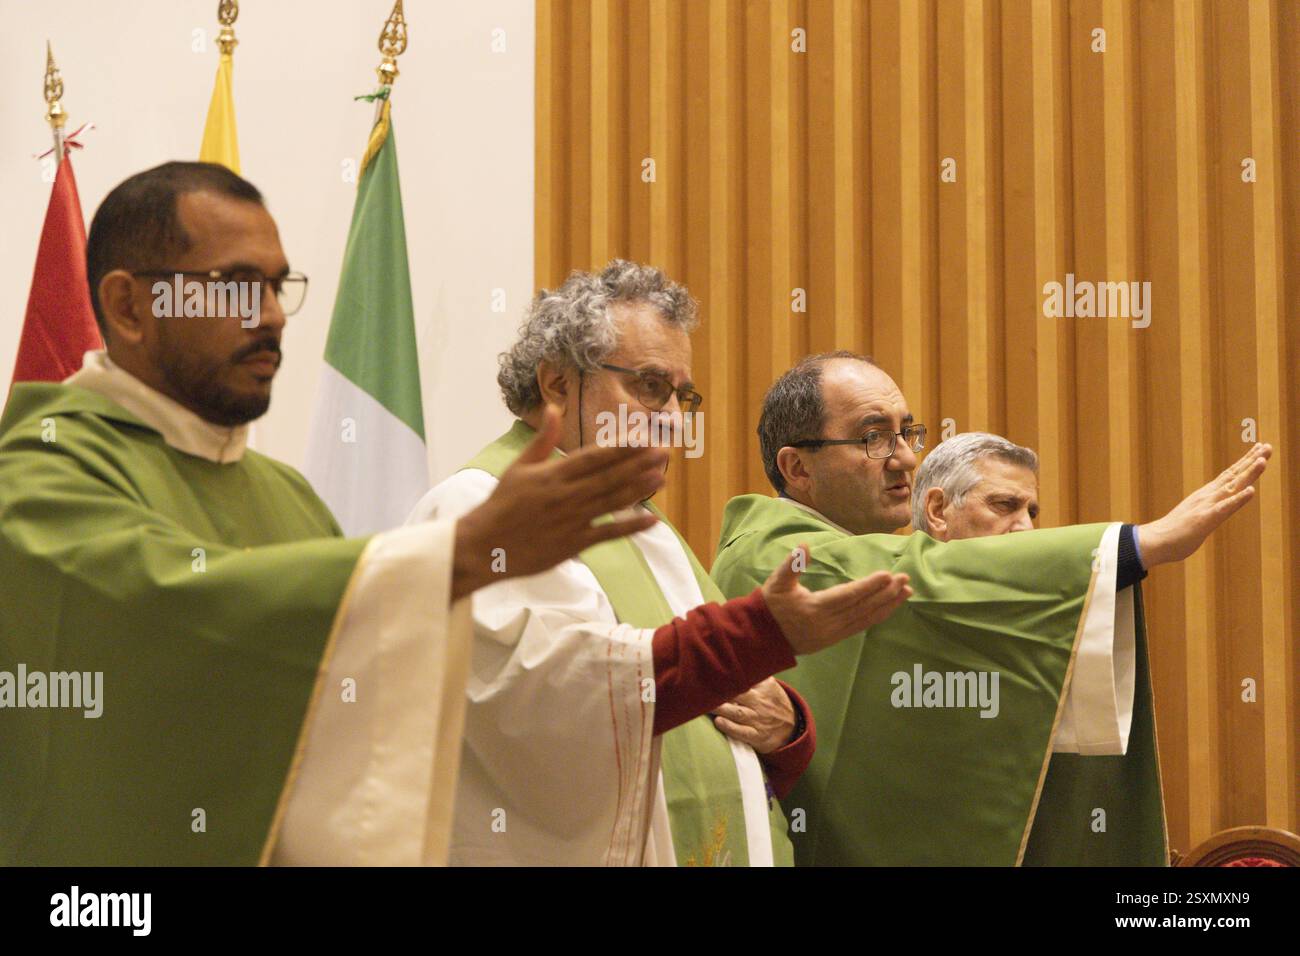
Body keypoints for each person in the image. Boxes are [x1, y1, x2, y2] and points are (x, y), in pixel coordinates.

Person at [0, 162, 675, 866]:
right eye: (233, 286)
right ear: (130, 307)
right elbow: (151, 611)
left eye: (275, 286)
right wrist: (458, 555)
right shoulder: (41, 475)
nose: (267, 316)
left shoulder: (287, 496)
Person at [408, 263, 912, 866]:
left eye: (682, 394)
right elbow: (546, 711)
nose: (675, 417)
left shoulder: (650, 529)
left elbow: (717, 710)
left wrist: (786, 733)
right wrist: (753, 636)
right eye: (650, 387)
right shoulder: (478, 511)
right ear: (557, 385)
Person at [711, 351, 1270, 865]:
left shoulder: (857, 549)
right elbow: (918, 578)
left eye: (907, 432)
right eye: (873, 437)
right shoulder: (776, 554)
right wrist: (1134, 546)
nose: (905, 457)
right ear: (798, 467)